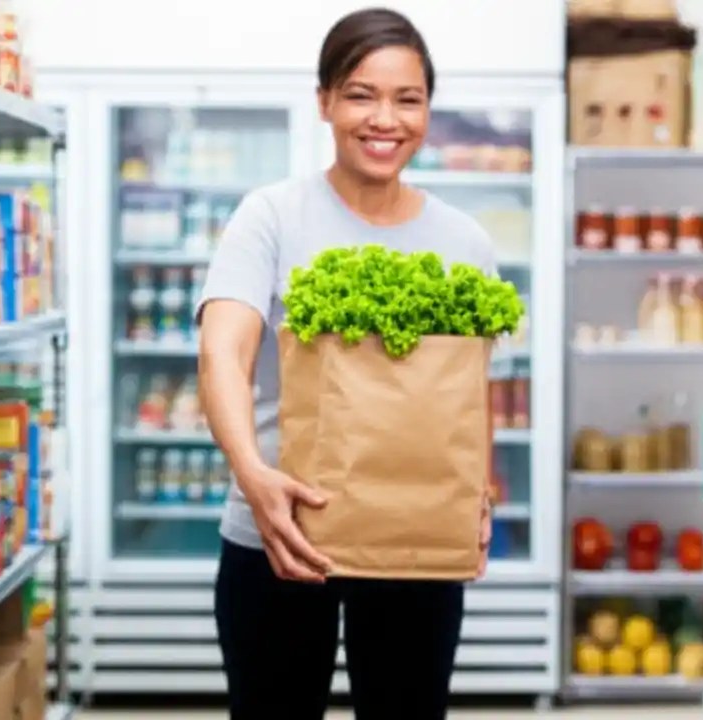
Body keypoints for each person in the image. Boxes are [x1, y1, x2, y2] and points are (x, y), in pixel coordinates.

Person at [195, 8, 497, 718]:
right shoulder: (269, 216)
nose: (384, 119)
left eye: (407, 99)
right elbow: (222, 355)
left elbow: (467, 391)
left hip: (413, 541)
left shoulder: (463, 241)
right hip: (277, 532)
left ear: (427, 109)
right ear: (325, 100)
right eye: (361, 94)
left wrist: (474, 493)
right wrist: (254, 477)